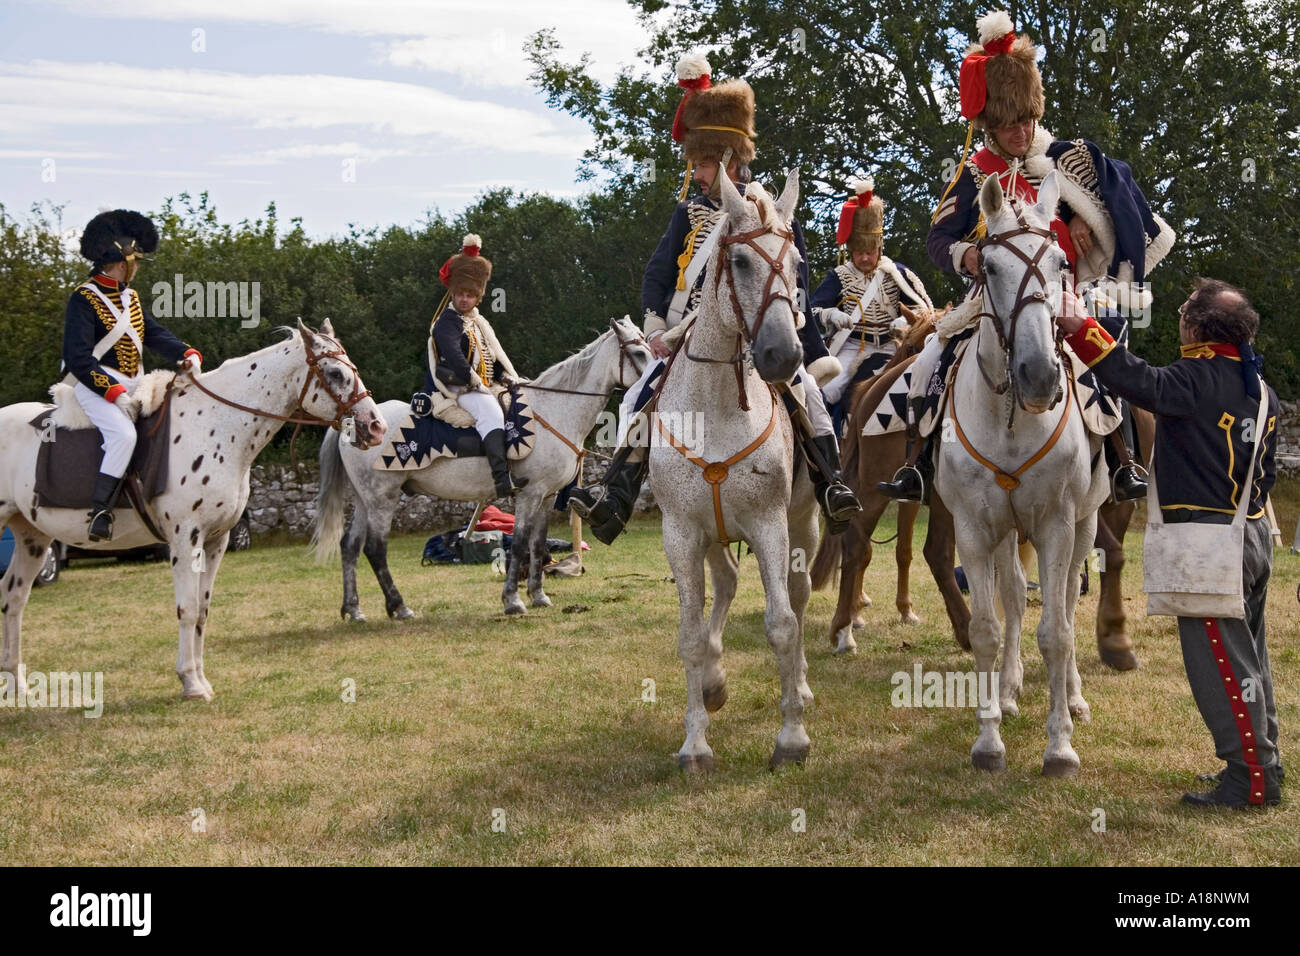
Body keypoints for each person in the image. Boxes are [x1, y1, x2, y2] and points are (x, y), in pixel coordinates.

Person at [878, 10, 1174, 503]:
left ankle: (1125, 463)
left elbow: (1110, 219)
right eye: (1010, 123)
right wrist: (969, 257)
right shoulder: (974, 174)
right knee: (933, 357)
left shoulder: (1067, 163)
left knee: (1103, 367)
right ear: (991, 122)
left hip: (1066, 293)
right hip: (992, 298)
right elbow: (938, 239)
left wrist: (1083, 218)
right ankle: (917, 464)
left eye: (1027, 119)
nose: (1021, 131)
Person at [568, 52, 860, 542]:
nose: (698, 174)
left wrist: (799, 339)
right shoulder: (689, 212)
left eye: (703, 164)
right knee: (641, 394)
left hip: (761, 331)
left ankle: (831, 486)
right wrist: (657, 325)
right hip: (690, 337)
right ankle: (616, 494)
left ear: (728, 159)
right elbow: (657, 275)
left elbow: (799, 283)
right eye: (697, 164)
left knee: (806, 392)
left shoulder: (772, 212)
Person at [1059, 279, 1282, 808]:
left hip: (1207, 548)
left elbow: (1139, 381)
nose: (1179, 318)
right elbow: (1266, 474)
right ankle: (1262, 761)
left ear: (1197, 327)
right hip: (1249, 534)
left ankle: (1249, 777)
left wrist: (1078, 328)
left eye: (1185, 312)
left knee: (1223, 665)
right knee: (1251, 661)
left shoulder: (1198, 376)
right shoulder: (1259, 386)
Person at [62, 209, 201, 541]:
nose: (137, 268)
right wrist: (113, 393)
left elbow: (153, 334)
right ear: (122, 263)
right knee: (124, 435)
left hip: (136, 384)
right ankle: (100, 511)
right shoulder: (84, 298)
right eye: (135, 261)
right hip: (95, 384)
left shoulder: (131, 299)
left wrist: (186, 352)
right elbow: (77, 358)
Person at [811, 177, 934, 435]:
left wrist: (905, 323)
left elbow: (925, 310)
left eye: (870, 251)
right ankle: (830, 447)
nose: (865, 257)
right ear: (850, 250)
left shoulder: (896, 273)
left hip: (891, 346)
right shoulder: (839, 276)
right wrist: (832, 314)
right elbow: (812, 309)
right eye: (859, 252)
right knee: (827, 391)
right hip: (852, 345)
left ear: (879, 247)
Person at [428, 234, 528, 498]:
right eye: (460, 294)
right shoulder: (447, 322)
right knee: (491, 414)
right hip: (460, 388)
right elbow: (454, 355)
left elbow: (491, 356)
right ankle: (501, 480)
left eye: (470, 295)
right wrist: (475, 381)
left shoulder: (478, 321)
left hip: (485, 385)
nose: (464, 299)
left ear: (477, 297)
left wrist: (507, 377)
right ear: (454, 294)